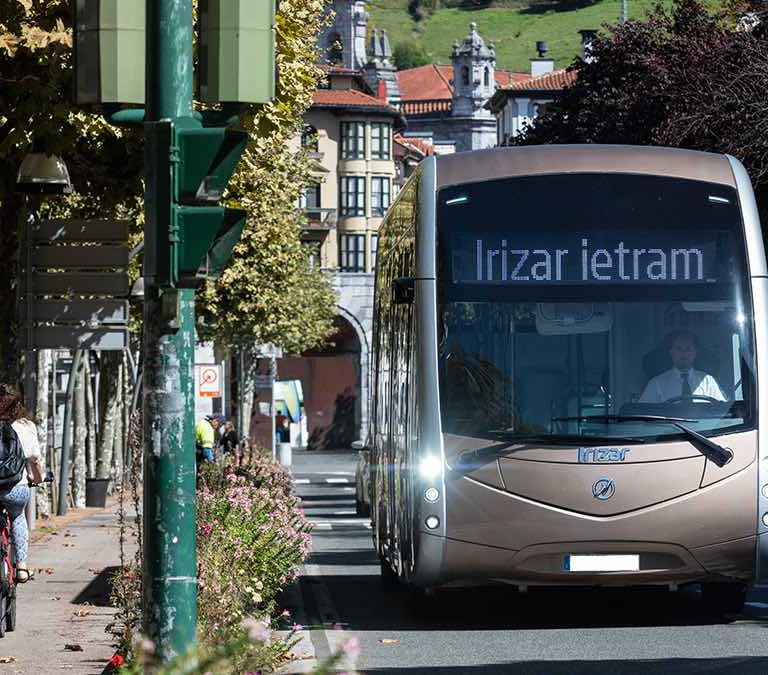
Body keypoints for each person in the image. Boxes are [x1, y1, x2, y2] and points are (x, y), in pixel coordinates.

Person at [0, 385, 43, 583]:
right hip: (15, 488)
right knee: (17, 517)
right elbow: (34, 460)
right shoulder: (25, 426)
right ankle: (22, 568)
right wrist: (39, 478)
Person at [640, 330, 726, 403]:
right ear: (671, 352)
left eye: (688, 349)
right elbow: (643, 413)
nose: (684, 353)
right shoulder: (656, 383)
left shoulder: (708, 381)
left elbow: (721, 410)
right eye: (679, 348)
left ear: (695, 353)